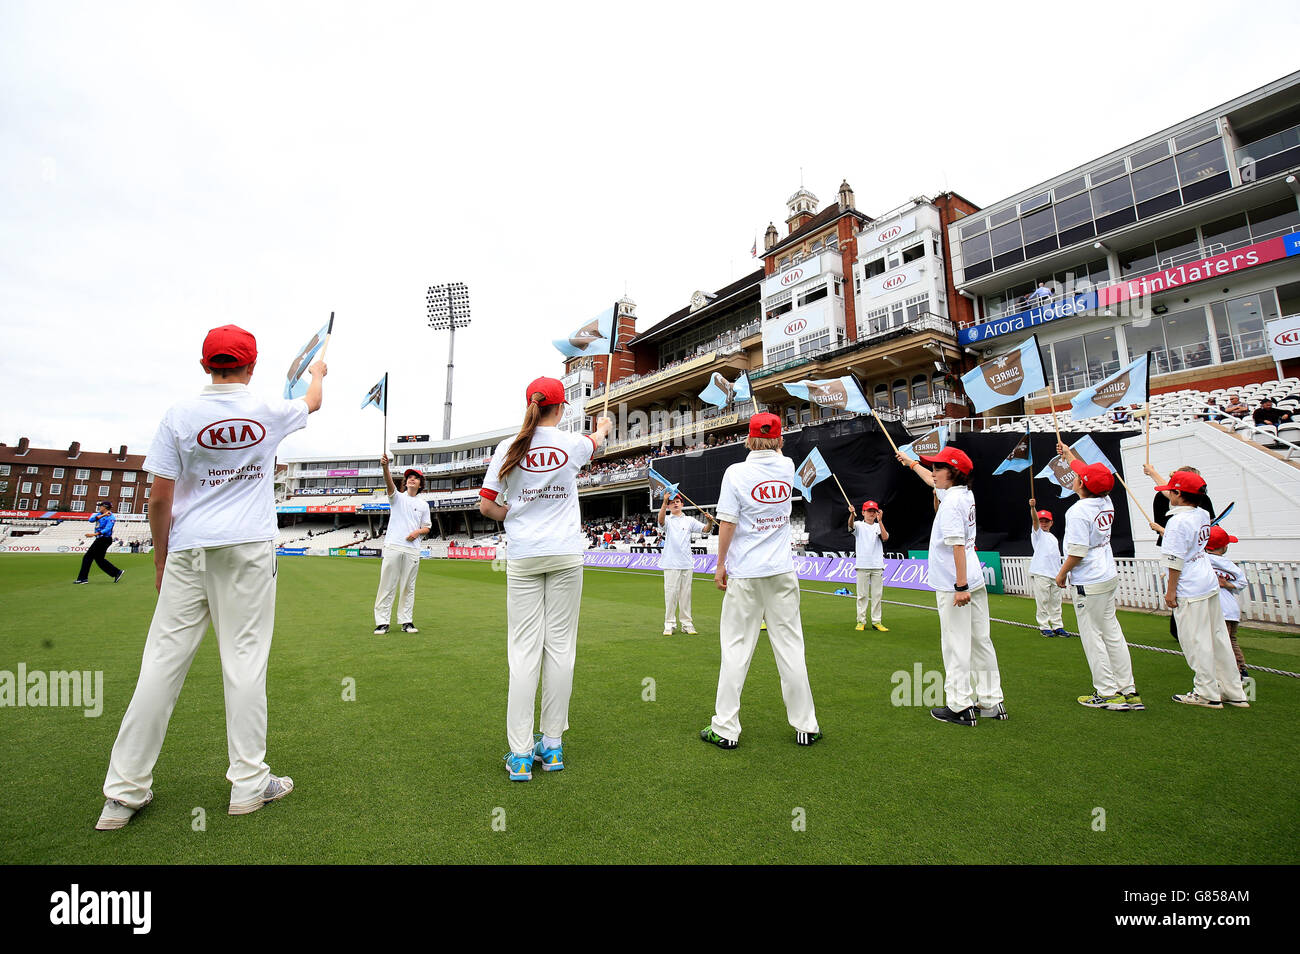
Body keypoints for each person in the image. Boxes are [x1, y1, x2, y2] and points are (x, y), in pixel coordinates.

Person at [96, 324, 326, 830]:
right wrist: (318, 372)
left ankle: (123, 794)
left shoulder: (180, 415)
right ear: (251, 365)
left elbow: (159, 499)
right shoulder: (268, 410)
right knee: (244, 663)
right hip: (247, 547)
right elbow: (312, 402)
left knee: (160, 665)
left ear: (206, 365)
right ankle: (247, 787)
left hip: (188, 549)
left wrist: (160, 559)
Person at [479, 376, 612, 781]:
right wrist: (603, 427)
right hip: (566, 553)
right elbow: (597, 441)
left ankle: (520, 754)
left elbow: (486, 507)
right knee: (560, 649)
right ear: (562, 406)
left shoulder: (508, 447)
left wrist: (516, 515)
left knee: (523, 652)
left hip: (523, 556)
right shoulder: (571, 443)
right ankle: (552, 746)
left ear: (531, 405)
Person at [701, 413, 821, 749]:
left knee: (736, 650)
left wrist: (720, 563)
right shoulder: (787, 466)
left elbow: (727, 523)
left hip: (746, 572)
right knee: (791, 648)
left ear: (748, 440)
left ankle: (725, 728)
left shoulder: (736, 472)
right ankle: (806, 725)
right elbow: (778, 452)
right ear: (780, 441)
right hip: (781, 571)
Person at [896, 446, 1005, 726]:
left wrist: (960, 586)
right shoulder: (962, 493)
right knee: (981, 641)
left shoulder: (952, 504)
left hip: (955, 582)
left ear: (953, 473)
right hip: (973, 577)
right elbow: (929, 481)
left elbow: (956, 544)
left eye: (938, 467)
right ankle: (992, 701)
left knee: (956, 644)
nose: (932, 471)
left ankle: (959, 705)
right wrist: (911, 464)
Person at [1052, 444, 1142, 712]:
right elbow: (1086, 474)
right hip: (1106, 575)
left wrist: (1061, 574)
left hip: (1089, 580)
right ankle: (1128, 690)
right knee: (1112, 633)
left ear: (1080, 483)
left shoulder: (1078, 511)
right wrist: (1069, 455)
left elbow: (1077, 552)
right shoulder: (1106, 499)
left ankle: (1107, 692)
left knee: (1093, 637)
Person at [1155, 470, 1250, 708]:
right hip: (1206, 583)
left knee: (1196, 642)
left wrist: (1170, 591)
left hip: (1190, 588)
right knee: (1219, 639)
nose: (1169, 495)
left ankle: (1206, 692)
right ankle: (1233, 691)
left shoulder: (1177, 522)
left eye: (1172, 492)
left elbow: (1174, 560)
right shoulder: (1203, 513)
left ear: (1178, 493)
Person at [372, 454, 431, 635]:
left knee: (408, 586)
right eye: (409, 477)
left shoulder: (423, 504)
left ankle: (406, 621)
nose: (412, 479)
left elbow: (427, 527)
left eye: (416, 478)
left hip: (412, 549)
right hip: (393, 546)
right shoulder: (397, 497)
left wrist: (417, 532)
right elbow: (389, 485)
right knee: (387, 585)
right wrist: (385, 468)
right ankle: (382, 622)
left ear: (420, 484)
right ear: (405, 483)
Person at [657, 491, 715, 636]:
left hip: (687, 563)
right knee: (671, 595)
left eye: (677, 501)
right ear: (669, 506)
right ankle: (669, 624)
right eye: (672, 502)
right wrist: (664, 502)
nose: (675, 503)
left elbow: (705, 530)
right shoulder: (668, 520)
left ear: (682, 504)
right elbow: (661, 521)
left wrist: (709, 521)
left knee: (685, 595)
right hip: (670, 563)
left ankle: (687, 624)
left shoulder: (689, 520)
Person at [1205, 526, 1250, 685]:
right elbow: (1242, 582)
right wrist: (1227, 584)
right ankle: (1241, 670)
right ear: (1224, 547)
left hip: (1218, 609)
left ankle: (1235, 673)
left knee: (1222, 643)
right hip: (1231, 609)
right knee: (1231, 640)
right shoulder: (1228, 564)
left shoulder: (1203, 560)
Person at [846, 500, 889, 632]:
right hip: (862, 565)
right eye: (869, 511)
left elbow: (885, 537)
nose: (872, 513)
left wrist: (880, 521)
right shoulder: (858, 525)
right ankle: (861, 621)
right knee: (862, 595)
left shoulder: (877, 526)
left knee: (877, 595)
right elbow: (850, 526)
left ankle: (877, 621)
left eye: (874, 511)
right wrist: (852, 514)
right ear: (863, 512)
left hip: (877, 565)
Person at [1027, 499, 1066, 637]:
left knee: (1056, 602)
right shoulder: (1038, 534)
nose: (1043, 523)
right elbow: (1035, 522)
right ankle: (1044, 626)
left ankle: (1057, 626)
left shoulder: (1053, 538)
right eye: (1042, 521)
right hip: (1041, 572)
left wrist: (1061, 573)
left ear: (1051, 523)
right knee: (1043, 601)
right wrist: (1033, 508)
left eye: (1046, 521)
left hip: (1054, 574)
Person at [75, 501, 124, 584]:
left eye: (100, 506)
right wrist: (103, 515)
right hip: (101, 539)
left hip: (104, 539)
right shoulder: (100, 514)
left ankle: (83, 578)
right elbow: (91, 520)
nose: (99, 507)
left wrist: (94, 534)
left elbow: (107, 529)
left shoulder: (111, 517)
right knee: (99, 559)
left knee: (88, 557)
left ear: (105, 507)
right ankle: (116, 572)